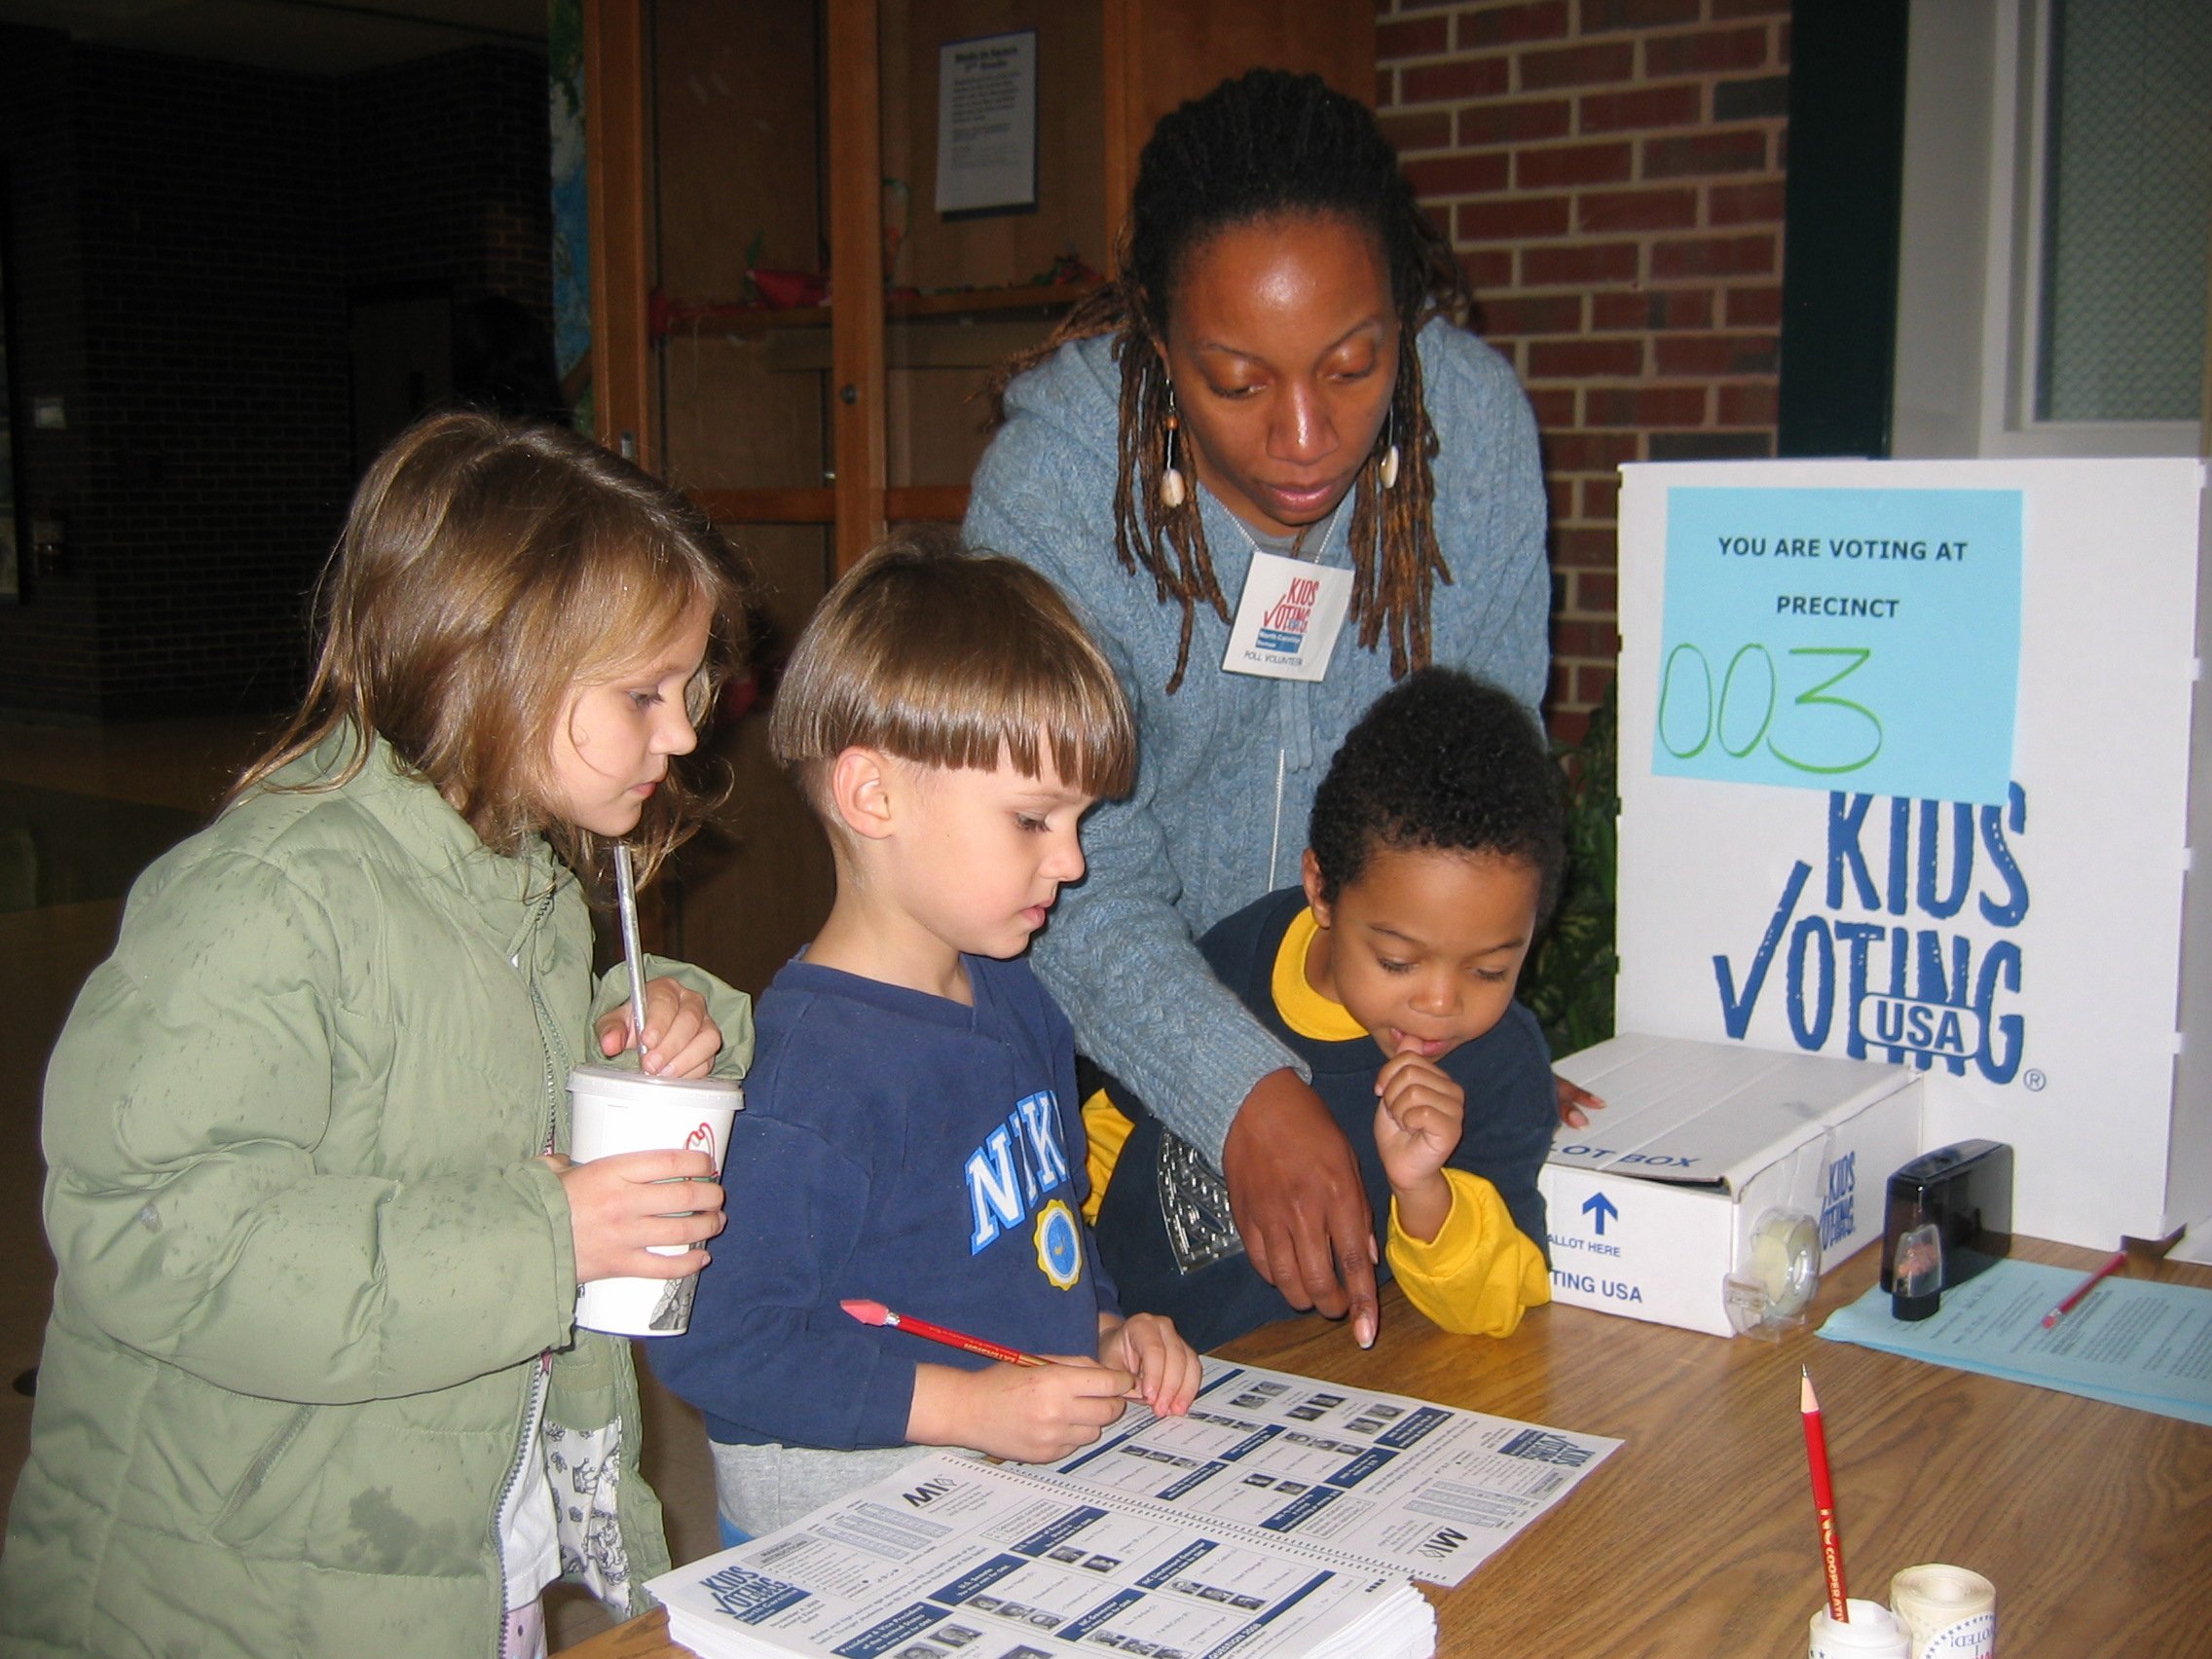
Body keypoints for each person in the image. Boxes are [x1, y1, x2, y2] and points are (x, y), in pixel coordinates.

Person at [0, 412, 756, 1659]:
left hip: (446, 1554)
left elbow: (472, 1056)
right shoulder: (264, 901)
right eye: (643, 693)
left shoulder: (520, 882)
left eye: (687, 690)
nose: (682, 733)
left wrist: (651, 1013)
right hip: (232, 1598)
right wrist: (545, 1236)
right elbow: (151, 1228)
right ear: (483, 662)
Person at [966, 68, 1590, 1349]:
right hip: (1104, 1074)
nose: (1305, 436)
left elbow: (1485, 789)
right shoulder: (1059, 491)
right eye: (1237, 380)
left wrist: (1470, 1028)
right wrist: (1239, 1089)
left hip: (1375, 1055)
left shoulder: (1470, 438)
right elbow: (1057, 879)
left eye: (1357, 365)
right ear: (1152, 335)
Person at [649, 533, 1201, 1544]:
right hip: (844, 1527)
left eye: (1078, 822)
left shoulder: (1017, 999)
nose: (1071, 863)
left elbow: (1045, 1228)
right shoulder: (810, 1077)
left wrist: (1108, 1327)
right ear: (874, 796)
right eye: (1033, 820)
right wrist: (967, 1408)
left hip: (1005, 1488)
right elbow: (718, 1347)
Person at [1082, 669, 1561, 1350]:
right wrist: (1074, 1298)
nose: (1440, 1003)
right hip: (1133, 1350)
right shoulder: (1236, 961)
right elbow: (1106, 1135)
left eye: (1490, 970)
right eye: (1398, 961)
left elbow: (1504, 1298)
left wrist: (1425, 1192)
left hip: (1308, 1385)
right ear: (1322, 891)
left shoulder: (1497, 1064)